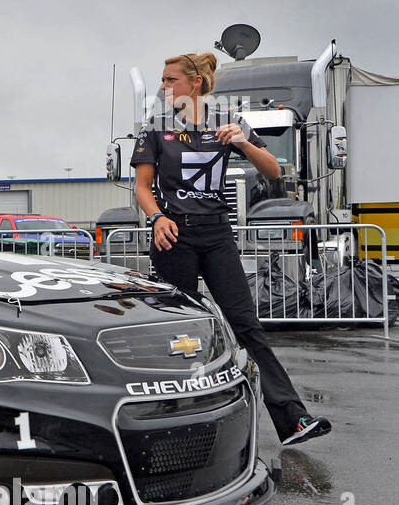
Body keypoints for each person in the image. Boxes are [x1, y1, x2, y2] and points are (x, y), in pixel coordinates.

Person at [132, 51, 330, 447]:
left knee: (246, 325)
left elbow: (274, 171)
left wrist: (244, 142)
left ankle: (293, 419)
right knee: (180, 332)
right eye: (163, 79)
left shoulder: (230, 121)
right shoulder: (156, 126)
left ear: (196, 84)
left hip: (217, 235)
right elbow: (142, 188)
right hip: (174, 237)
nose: (165, 86)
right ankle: (178, 422)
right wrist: (157, 218)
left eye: (171, 79)